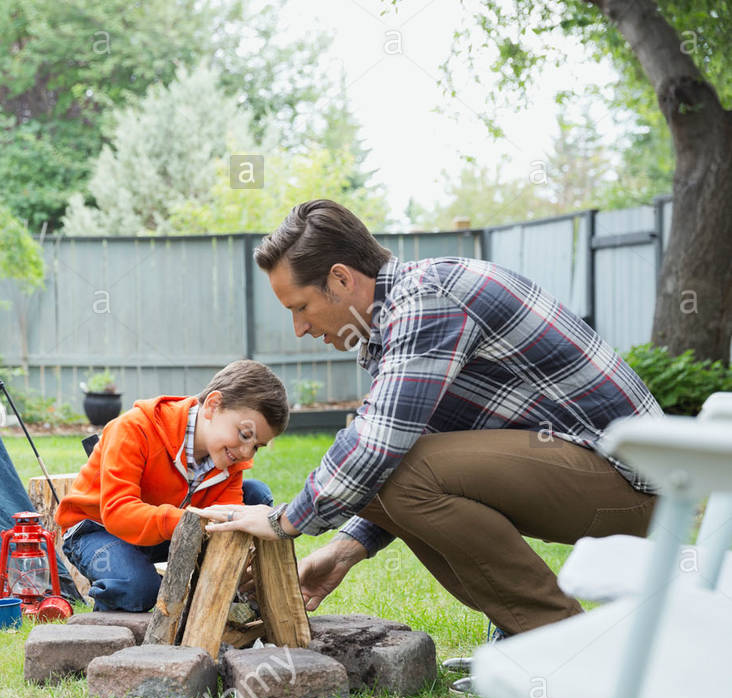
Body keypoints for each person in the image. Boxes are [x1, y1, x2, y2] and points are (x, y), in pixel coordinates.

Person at [197, 199, 661, 672]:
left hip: (631, 482)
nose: (299, 328)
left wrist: (282, 522)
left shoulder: (430, 300)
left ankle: (560, 647)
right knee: (386, 469)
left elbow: (379, 449)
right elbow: (402, 451)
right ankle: (526, 634)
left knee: (384, 465)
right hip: (589, 474)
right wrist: (342, 552)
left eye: (301, 307)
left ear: (340, 278)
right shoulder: (399, 319)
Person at [57, 360, 289, 612]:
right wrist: (189, 520)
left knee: (255, 496)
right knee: (137, 588)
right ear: (213, 405)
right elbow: (118, 513)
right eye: (245, 435)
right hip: (98, 529)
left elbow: (223, 524)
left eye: (256, 446)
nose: (246, 452)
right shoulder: (135, 428)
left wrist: (233, 559)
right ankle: (119, 605)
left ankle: (218, 599)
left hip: (164, 532)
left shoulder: (229, 459)